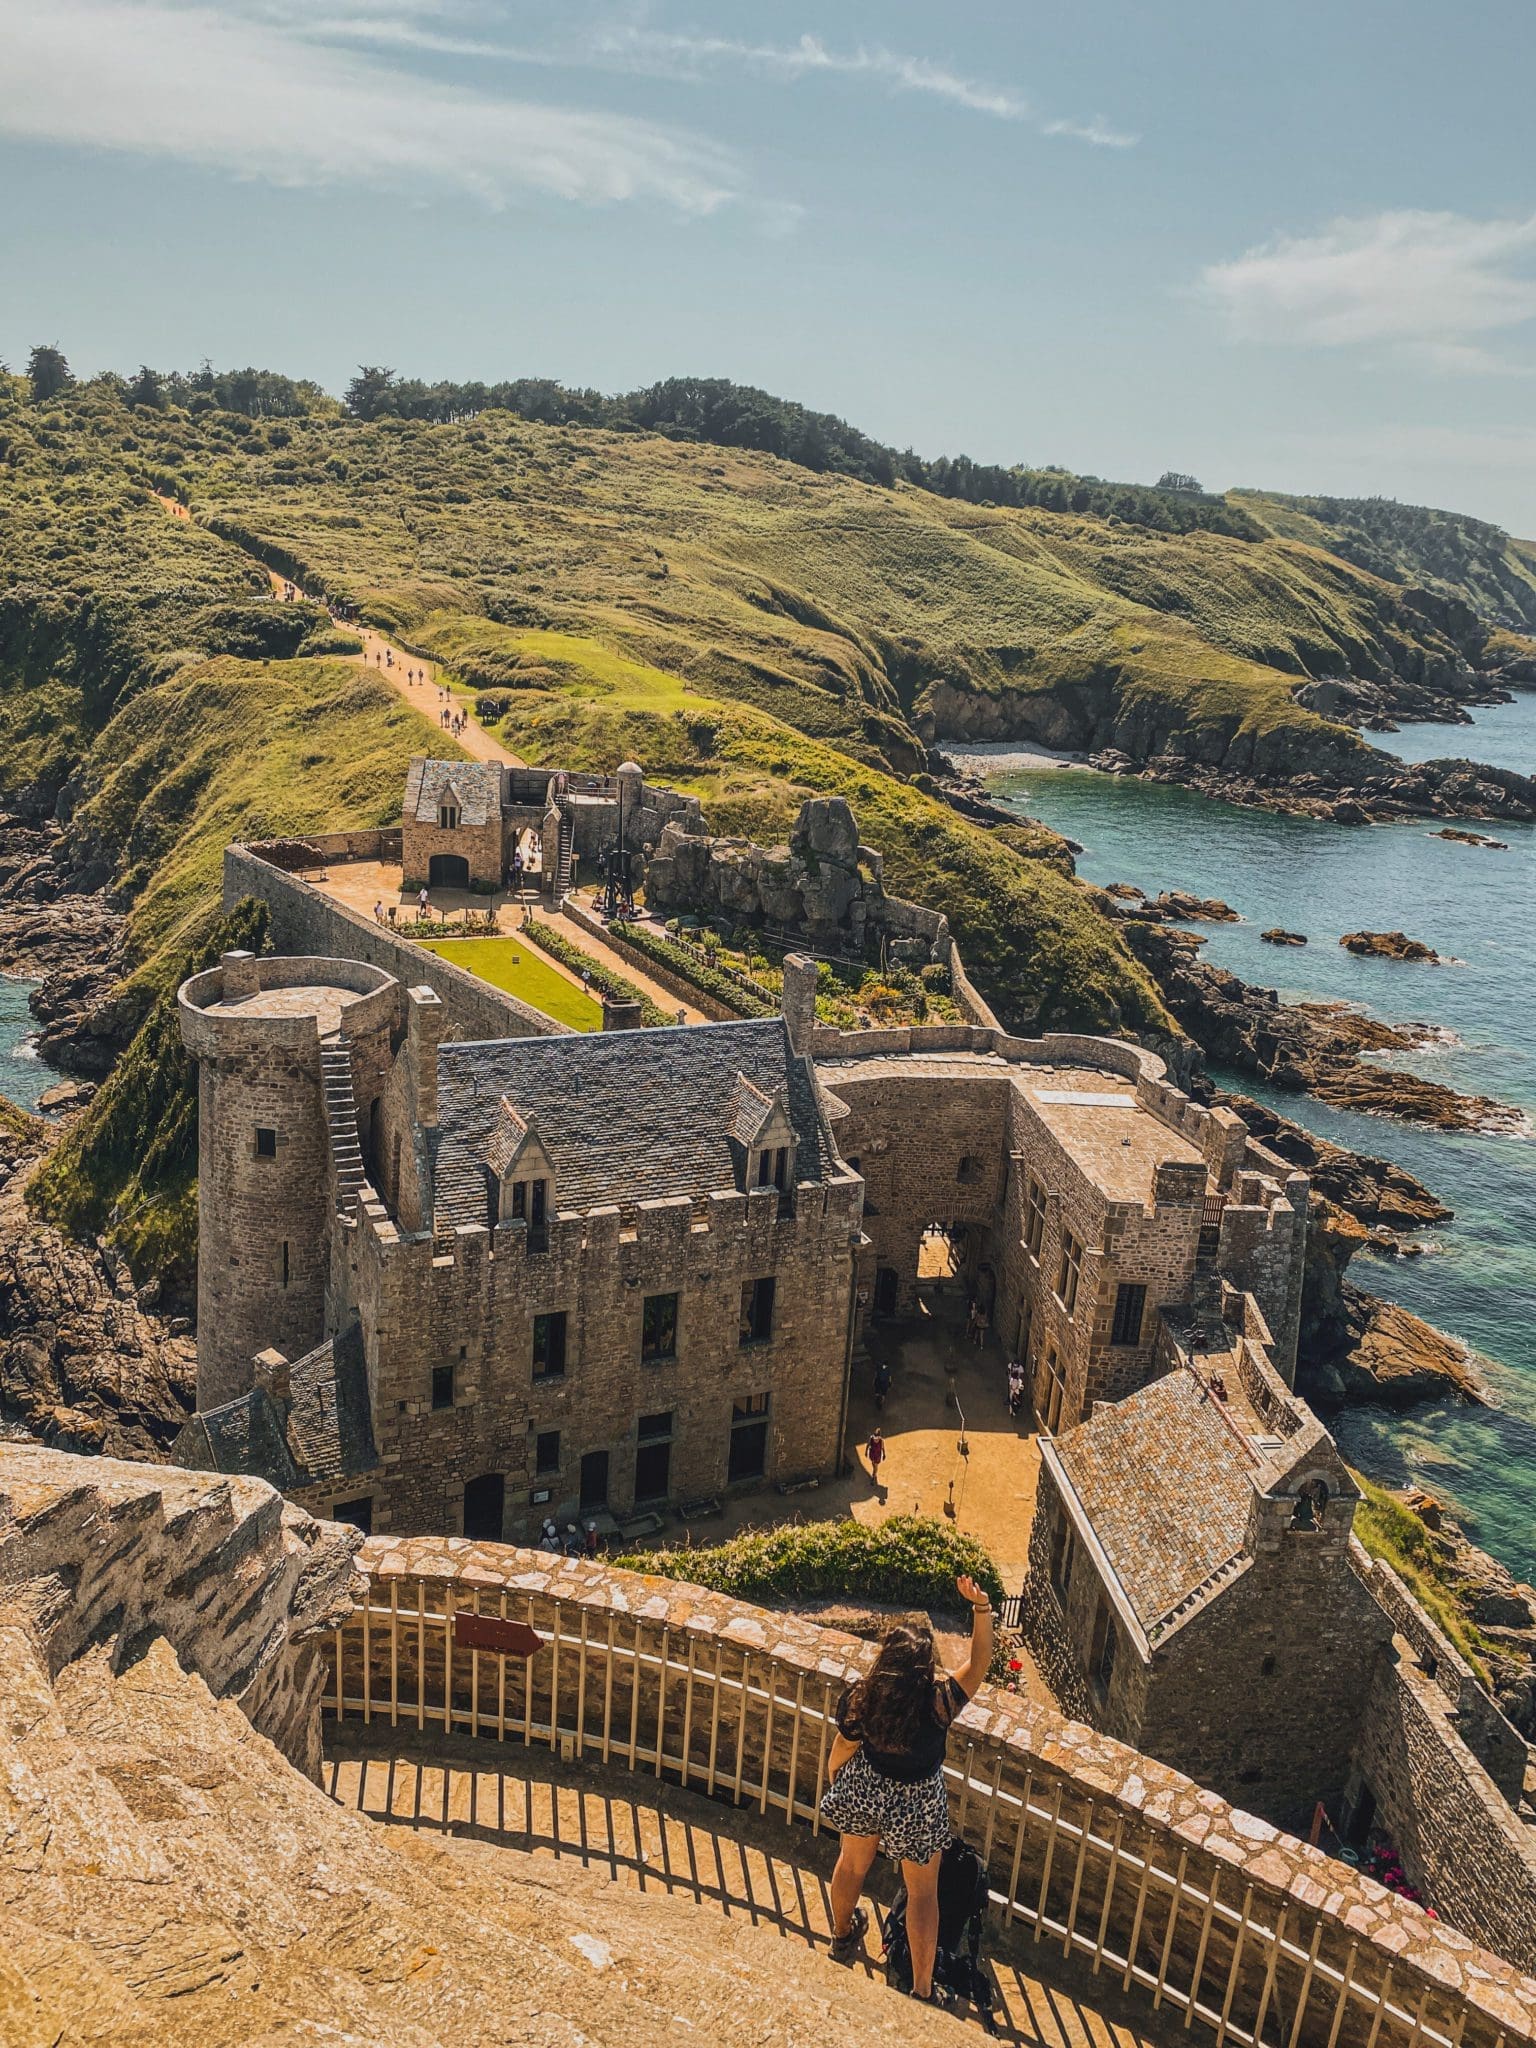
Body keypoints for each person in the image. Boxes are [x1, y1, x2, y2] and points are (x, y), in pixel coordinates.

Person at [821, 1578, 994, 2004]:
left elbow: (843, 1747)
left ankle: (843, 1935)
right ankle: (920, 1988)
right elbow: (979, 1664)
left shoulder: (863, 1697)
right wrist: (982, 1608)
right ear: (925, 1667)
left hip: (867, 1785)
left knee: (851, 1864)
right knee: (922, 1893)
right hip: (917, 1800)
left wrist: (837, 1782)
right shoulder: (938, 1704)